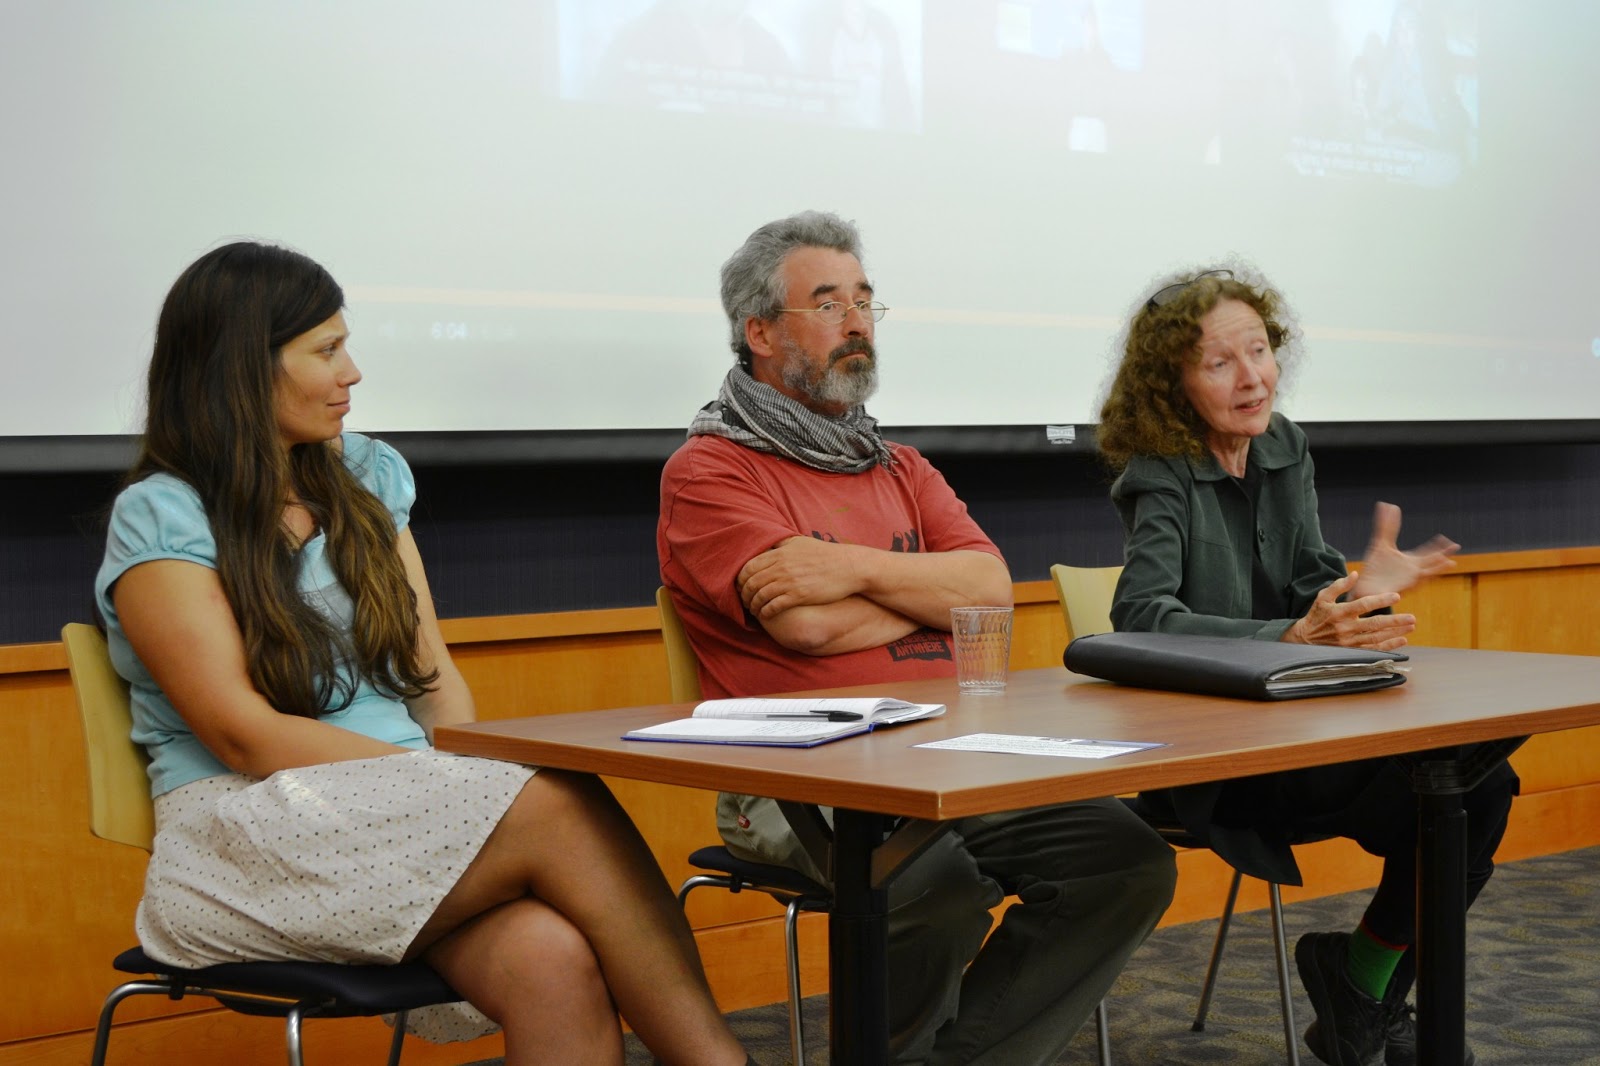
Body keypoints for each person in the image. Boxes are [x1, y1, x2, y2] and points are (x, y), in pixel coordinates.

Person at [94, 241, 753, 1066]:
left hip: (403, 816)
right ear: (242, 370)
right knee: (554, 797)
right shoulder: (162, 514)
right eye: (326, 351)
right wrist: (443, 782)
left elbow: (433, 680)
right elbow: (241, 735)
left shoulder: (368, 477)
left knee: (551, 956)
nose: (353, 372)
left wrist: (450, 781)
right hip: (245, 833)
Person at [658, 210, 1177, 1066]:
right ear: (760, 332)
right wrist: (927, 595)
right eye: (829, 304)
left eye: (866, 301)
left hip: (951, 750)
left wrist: (848, 568)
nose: (858, 321)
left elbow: (990, 593)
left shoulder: (900, 466)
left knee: (1124, 861)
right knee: (932, 890)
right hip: (796, 779)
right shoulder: (710, 470)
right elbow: (806, 624)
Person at [1095, 262, 1517, 1066]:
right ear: (1172, 384)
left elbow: (1311, 593)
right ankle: (1366, 993)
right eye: (1221, 362)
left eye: (1259, 350)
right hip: (1222, 760)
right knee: (1453, 789)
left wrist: (1366, 591)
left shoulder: (1284, 447)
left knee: (1477, 784)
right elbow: (1141, 618)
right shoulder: (1160, 471)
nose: (1253, 377)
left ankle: (1361, 985)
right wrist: (1286, 641)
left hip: (1311, 729)